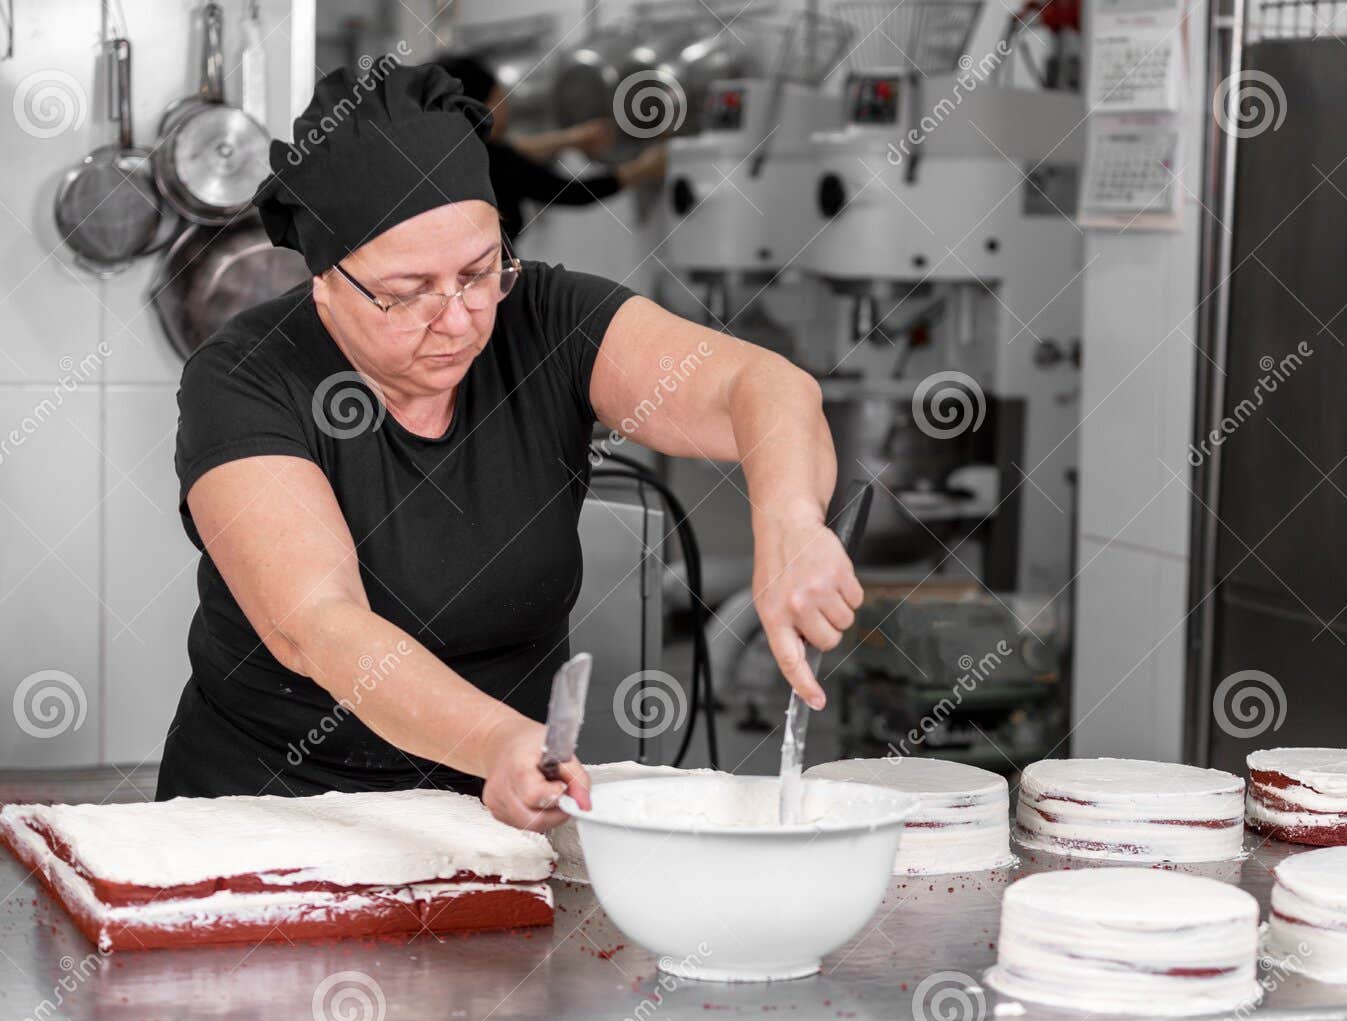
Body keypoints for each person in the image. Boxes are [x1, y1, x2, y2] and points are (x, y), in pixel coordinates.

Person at [158, 64, 858, 832]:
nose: (457, 319)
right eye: (409, 291)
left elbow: (761, 386)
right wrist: (493, 740)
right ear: (326, 281)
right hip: (269, 816)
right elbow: (317, 623)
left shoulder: (546, 317)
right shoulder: (246, 377)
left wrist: (790, 522)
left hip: (487, 825)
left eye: (477, 272)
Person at [432, 52, 667, 238]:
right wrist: (640, 170)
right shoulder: (493, 162)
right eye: (500, 96)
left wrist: (571, 138)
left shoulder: (447, 152)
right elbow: (571, 193)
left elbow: (514, 151)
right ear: (485, 107)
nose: (507, 105)